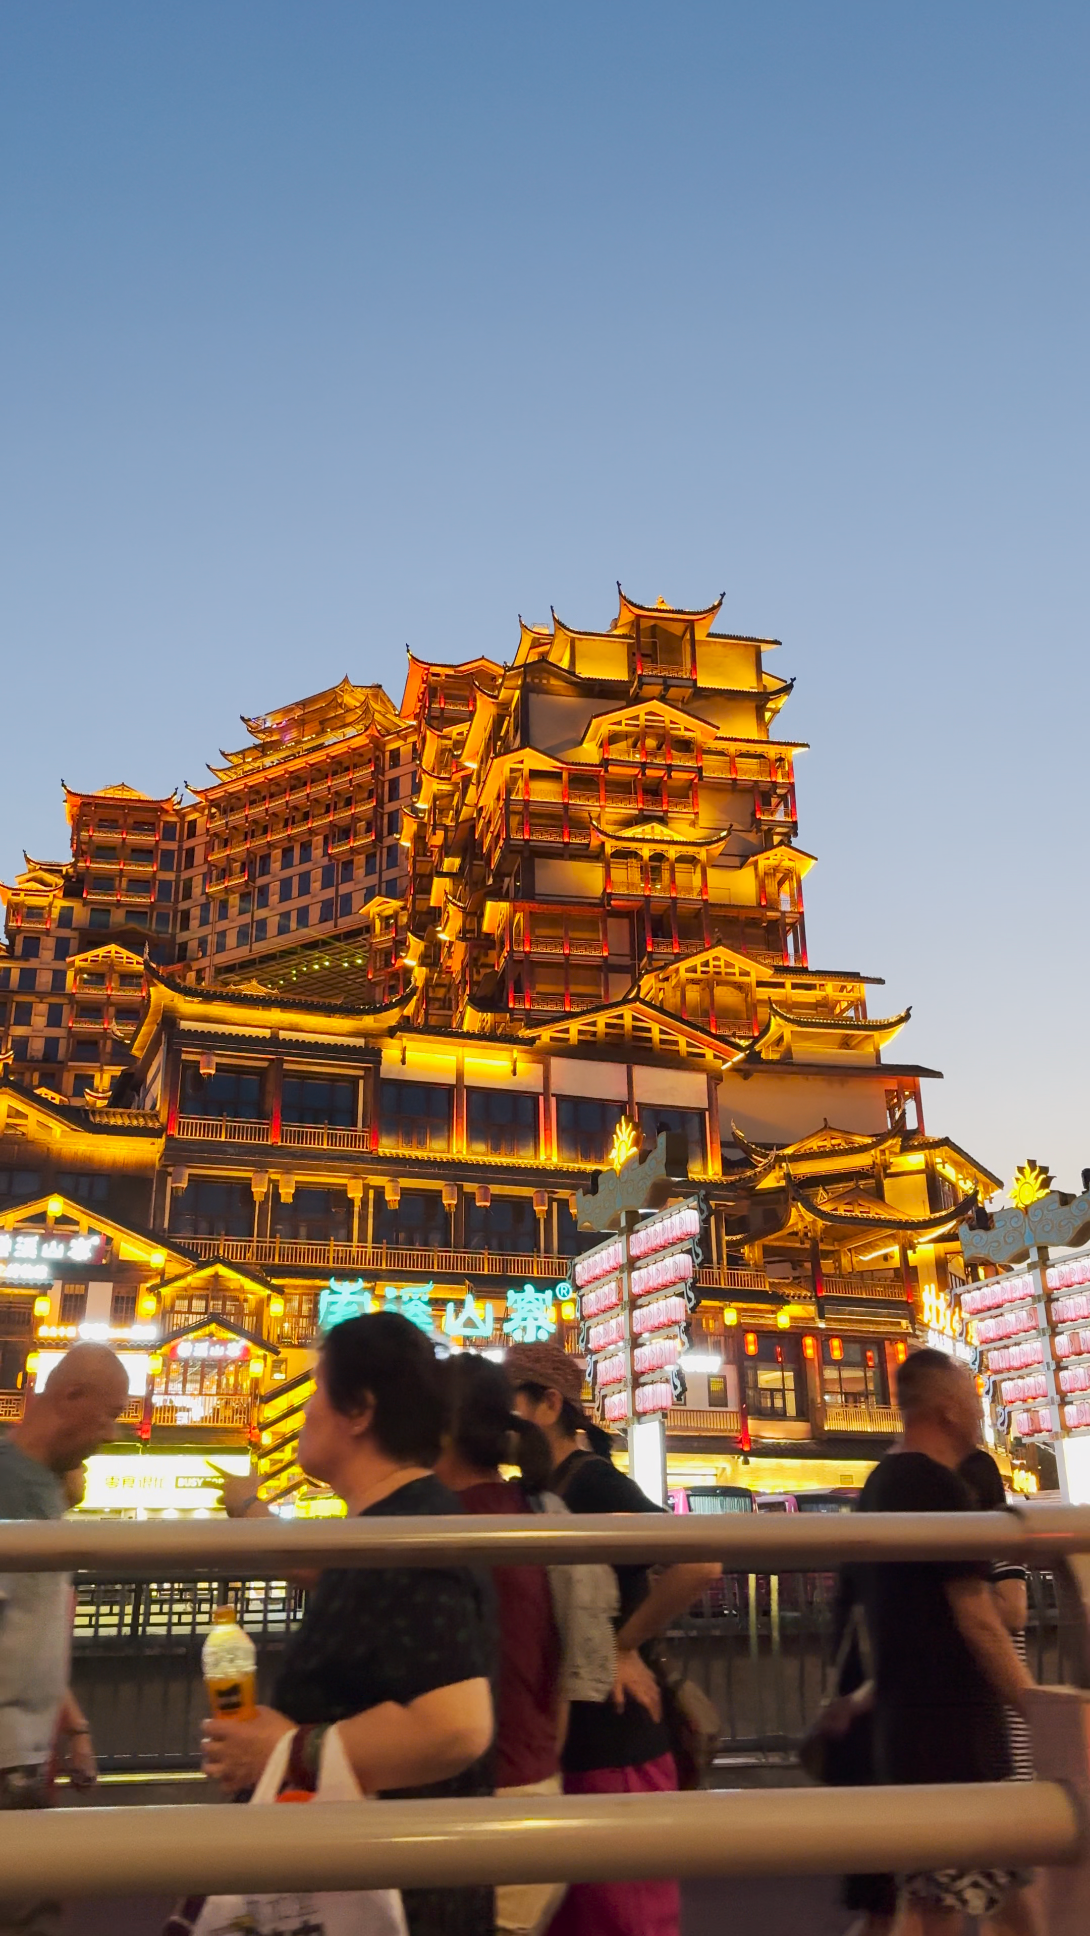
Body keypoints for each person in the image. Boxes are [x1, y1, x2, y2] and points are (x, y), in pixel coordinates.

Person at [201, 1313, 496, 1936]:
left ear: (359, 1409)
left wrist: (287, 1750)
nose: (305, 1409)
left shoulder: (410, 1531)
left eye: (316, 1388)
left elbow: (456, 1728)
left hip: (397, 1902)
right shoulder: (388, 1525)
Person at [505, 1340, 721, 1936]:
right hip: (576, 1746)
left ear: (549, 1405)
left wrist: (621, 1645)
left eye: (509, 1405)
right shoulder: (541, 1491)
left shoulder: (592, 1483)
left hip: (617, 1745)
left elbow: (700, 1561)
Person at [829, 1349, 1033, 1936]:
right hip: (950, 1730)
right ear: (947, 1409)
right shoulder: (936, 1486)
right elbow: (978, 1618)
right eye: (972, 1395)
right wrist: (1040, 1709)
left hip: (906, 1725)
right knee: (939, 1903)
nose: (981, 1407)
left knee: (951, 1896)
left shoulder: (881, 1482)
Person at [435, 1352, 620, 1936]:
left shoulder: (435, 1525)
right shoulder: (540, 1510)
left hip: (471, 1808)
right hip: (537, 1789)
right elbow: (561, 1675)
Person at [0, 1343, 129, 1936]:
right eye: (110, 1413)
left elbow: (30, 1630)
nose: (111, 1433)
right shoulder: (14, 1488)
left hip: (24, 1755)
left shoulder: (38, 1484)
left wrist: (74, 1728)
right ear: (72, 1396)